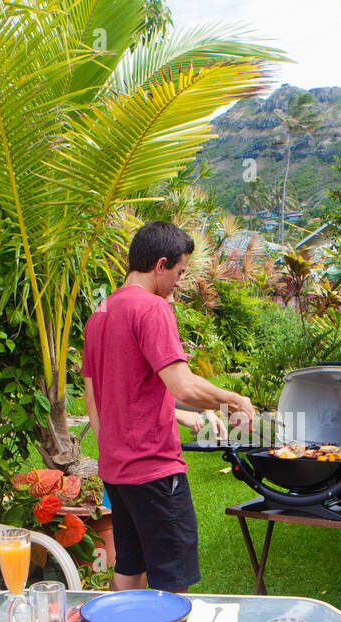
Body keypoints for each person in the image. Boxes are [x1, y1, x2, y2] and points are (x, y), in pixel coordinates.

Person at [82, 221, 255, 593]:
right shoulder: (152, 309)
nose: (179, 282)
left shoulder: (100, 313)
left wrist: (109, 452)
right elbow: (183, 385)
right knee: (171, 581)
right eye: (179, 272)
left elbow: (92, 393)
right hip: (155, 471)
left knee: (129, 568)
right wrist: (234, 399)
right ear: (160, 265)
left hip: (117, 471)